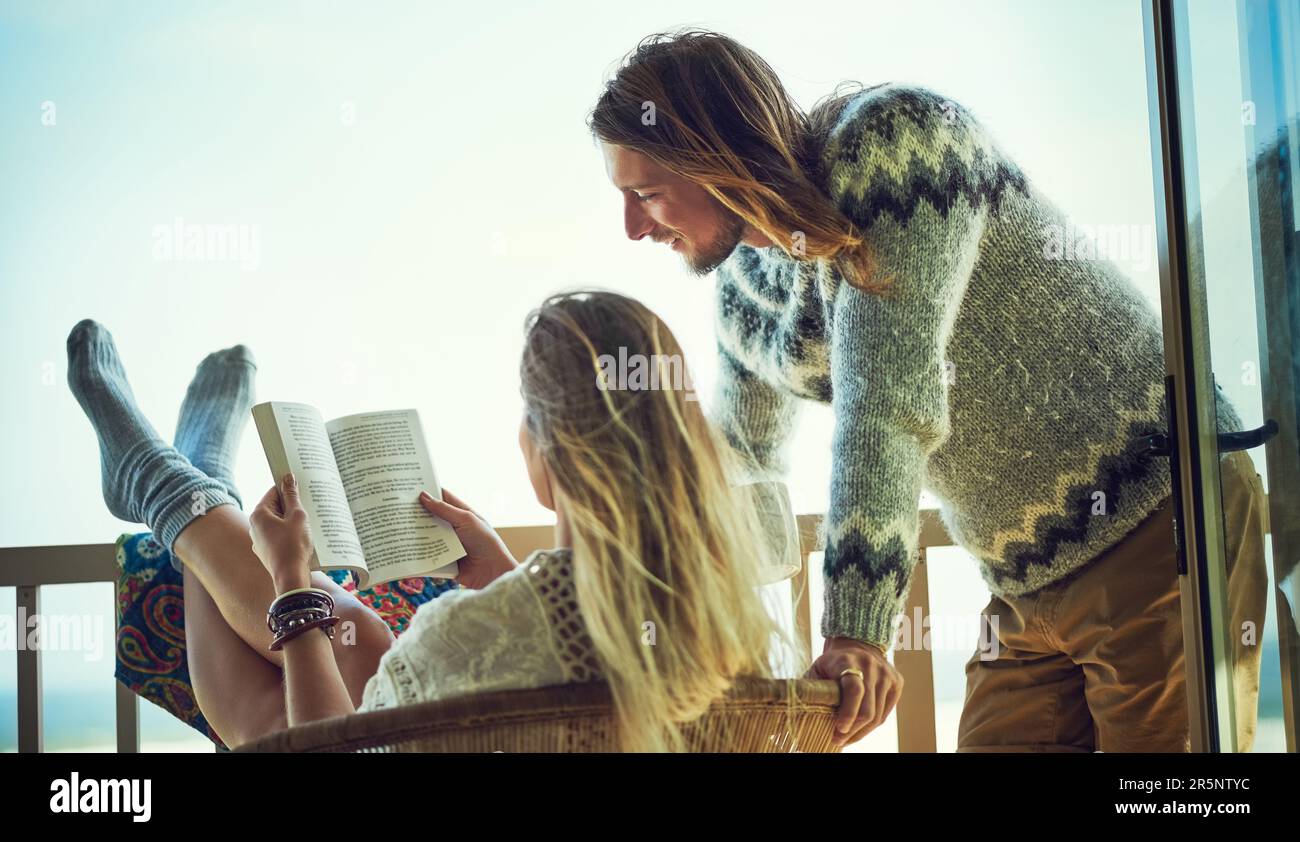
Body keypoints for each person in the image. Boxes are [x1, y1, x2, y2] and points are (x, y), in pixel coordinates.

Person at [587, 29, 1269, 751]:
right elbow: (740, 463)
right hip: (1023, 578)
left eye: (646, 195)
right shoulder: (749, 285)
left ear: (713, 157)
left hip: (1157, 520)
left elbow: (886, 400)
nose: (633, 228)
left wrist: (857, 630)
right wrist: (660, 619)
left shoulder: (897, 144)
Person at [66, 291, 792, 751]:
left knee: (279, 715)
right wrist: (506, 576)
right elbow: (593, 668)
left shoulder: (461, 637)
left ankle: (174, 487)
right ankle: (188, 486)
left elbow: (323, 748)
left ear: (541, 449)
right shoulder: (738, 632)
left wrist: (291, 576)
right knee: (366, 638)